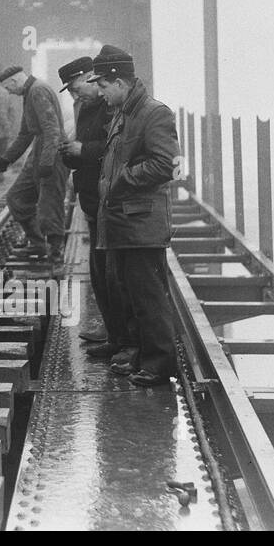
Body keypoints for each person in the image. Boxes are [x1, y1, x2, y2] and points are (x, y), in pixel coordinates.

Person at [89, 45, 180, 387]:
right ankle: (144, 355)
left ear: (120, 82)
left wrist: (121, 180)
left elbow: (165, 164)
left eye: (102, 84)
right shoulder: (125, 112)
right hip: (124, 221)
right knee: (132, 293)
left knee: (148, 297)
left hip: (141, 222)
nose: (99, 91)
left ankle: (159, 365)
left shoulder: (154, 113)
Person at [57, 57, 137, 360]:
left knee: (114, 274)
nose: (75, 95)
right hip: (92, 199)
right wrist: (71, 154)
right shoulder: (88, 108)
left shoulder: (111, 107)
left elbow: (118, 149)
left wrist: (83, 150)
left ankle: (124, 337)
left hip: (107, 200)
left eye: (75, 88)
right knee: (101, 274)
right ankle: (114, 332)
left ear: (88, 77)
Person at [0, 65, 70, 270]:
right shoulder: (30, 93)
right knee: (17, 198)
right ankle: (39, 244)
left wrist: (47, 162)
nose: (8, 93)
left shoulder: (38, 90)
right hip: (40, 150)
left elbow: (52, 129)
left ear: (13, 81)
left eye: (7, 88)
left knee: (49, 207)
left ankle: (55, 255)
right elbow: (25, 134)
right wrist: (6, 159)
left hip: (51, 152)